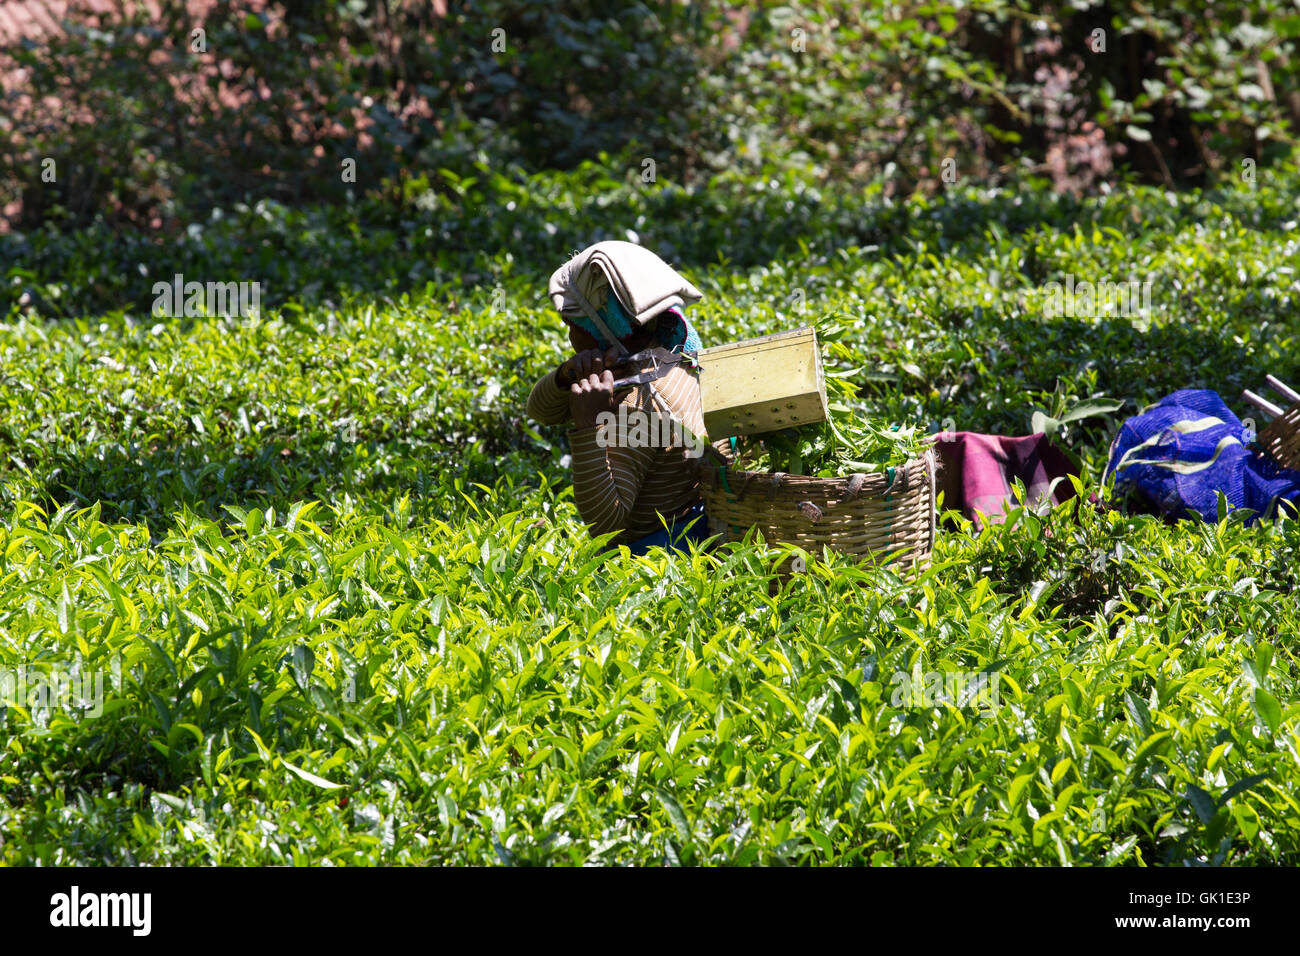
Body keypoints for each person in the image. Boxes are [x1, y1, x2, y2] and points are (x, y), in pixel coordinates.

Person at [527, 242, 728, 554]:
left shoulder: (636, 406)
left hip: (654, 562)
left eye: (571, 325)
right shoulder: (679, 354)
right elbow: (541, 411)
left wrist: (588, 426)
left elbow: (605, 524)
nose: (569, 336)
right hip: (699, 529)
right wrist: (564, 375)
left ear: (599, 331)